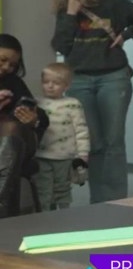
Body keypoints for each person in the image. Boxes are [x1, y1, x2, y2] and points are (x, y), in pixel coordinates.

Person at [51, 0, 133, 203]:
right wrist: (70, 14)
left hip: (113, 78)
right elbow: (61, 45)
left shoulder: (113, 4)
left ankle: (115, 202)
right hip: (79, 80)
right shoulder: (64, 12)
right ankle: (99, 202)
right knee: (93, 144)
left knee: (113, 142)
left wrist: (127, 34)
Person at [0, 35, 49, 216]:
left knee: (11, 128)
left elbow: (42, 117)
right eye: (3, 60)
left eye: (13, 65)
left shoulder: (13, 82)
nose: (7, 67)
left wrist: (33, 119)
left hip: (14, 143)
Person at [32, 63, 89, 210]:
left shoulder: (73, 104)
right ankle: (44, 216)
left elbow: (81, 130)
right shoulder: (37, 103)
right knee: (43, 189)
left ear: (66, 86)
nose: (50, 86)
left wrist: (82, 154)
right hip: (41, 155)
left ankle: (63, 214)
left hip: (64, 156)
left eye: (56, 83)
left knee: (62, 188)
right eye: (46, 82)